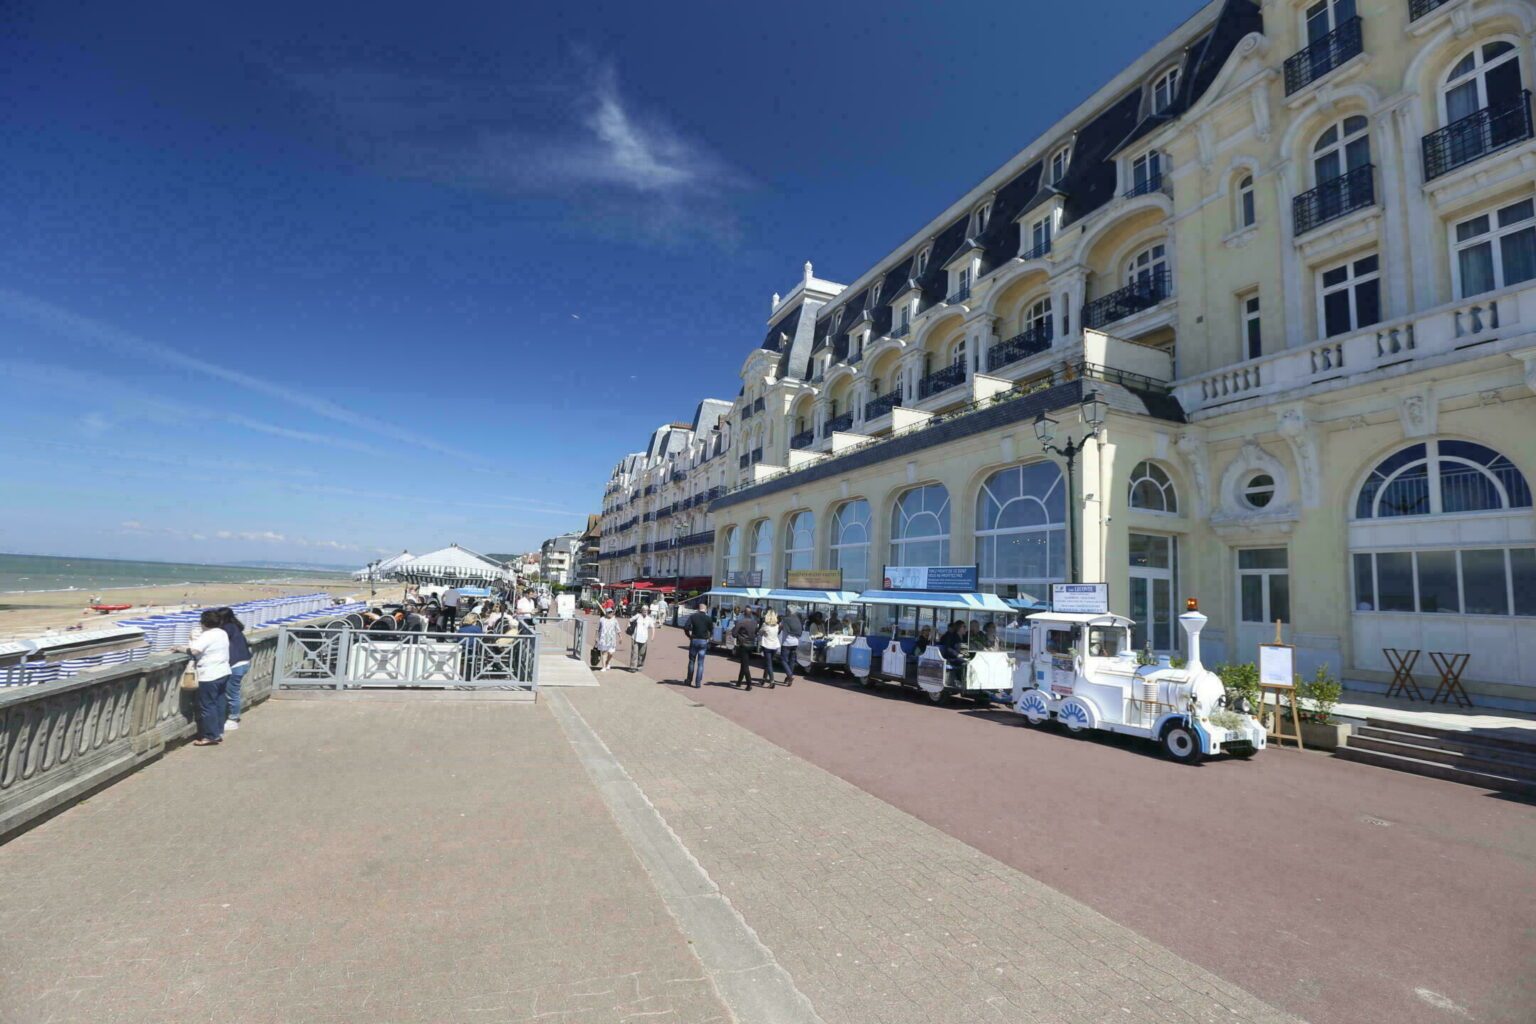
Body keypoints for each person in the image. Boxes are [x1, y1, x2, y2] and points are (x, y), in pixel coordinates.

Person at [186, 609, 231, 747]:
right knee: (219, 702)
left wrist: (180, 648)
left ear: (203, 622)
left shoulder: (207, 635)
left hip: (209, 674)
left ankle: (210, 736)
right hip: (223, 671)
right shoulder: (222, 633)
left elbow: (194, 650)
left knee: (207, 705)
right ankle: (218, 731)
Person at [218, 608, 250, 732]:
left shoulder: (227, 628)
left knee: (232, 693)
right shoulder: (235, 627)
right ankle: (231, 716)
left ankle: (233, 719)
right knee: (233, 692)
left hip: (235, 664)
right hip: (243, 662)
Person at [682, 602, 714, 688]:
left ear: (698, 609)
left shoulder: (693, 616)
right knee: (701, 663)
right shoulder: (708, 618)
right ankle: (698, 682)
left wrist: (689, 635)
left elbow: (686, 627)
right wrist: (709, 638)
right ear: (705, 609)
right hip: (703, 641)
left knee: (692, 661)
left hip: (694, 640)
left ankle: (689, 680)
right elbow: (712, 630)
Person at [731, 607, 760, 689]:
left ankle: (749, 684)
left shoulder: (741, 622)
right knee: (744, 664)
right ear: (750, 613)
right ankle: (739, 682)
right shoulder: (754, 622)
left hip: (743, 644)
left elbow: (734, 634)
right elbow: (756, 632)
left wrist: (738, 632)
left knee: (745, 665)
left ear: (744, 613)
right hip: (751, 644)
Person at [778, 607, 803, 683]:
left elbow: (780, 627)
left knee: (783, 660)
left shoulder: (785, 619)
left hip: (787, 642)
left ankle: (789, 675)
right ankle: (788, 678)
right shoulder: (797, 620)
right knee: (792, 660)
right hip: (796, 642)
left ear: (788, 612)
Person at [628, 604, 655, 671]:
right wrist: (629, 627)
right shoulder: (638, 616)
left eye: (646, 610)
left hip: (644, 638)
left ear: (648, 611)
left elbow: (653, 627)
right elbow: (630, 620)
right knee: (634, 652)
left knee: (642, 653)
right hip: (635, 637)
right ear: (641, 610)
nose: (645, 611)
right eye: (644, 610)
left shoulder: (649, 619)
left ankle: (640, 666)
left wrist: (652, 636)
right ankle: (633, 667)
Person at [759, 609, 782, 686]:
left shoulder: (765, 625)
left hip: (767, 646)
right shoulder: (777, 626)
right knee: (767, 663)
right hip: (775, 646)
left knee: (768, 664)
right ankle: (764, 679)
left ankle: (772, 680)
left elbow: (760, 633)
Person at [594, 606, 620, 671]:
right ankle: (603, 667)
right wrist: (596, 637)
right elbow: (597, 629)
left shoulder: (614, 620)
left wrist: (620, 637)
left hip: (612, 639)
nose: (610, 613)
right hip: (603, 639)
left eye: (611, 612)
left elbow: (618, 629)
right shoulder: (602, 619)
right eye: (608, 612)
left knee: (611, 653)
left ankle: (607, 662)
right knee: (604, 653)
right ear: (606, 613)